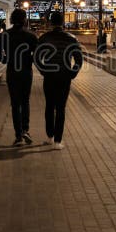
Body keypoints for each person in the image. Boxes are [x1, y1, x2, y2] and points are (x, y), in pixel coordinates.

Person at [34, 11, 83, 149]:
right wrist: (72, 73)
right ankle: (58, 141)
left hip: (49, 76)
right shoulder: (72, 38)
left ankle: (50, 136)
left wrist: (43, 70)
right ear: (63, 22)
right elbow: (79, 59)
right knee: (61, 108)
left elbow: (37, 58)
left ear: (50, 22)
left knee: (49, 106)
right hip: (64, 77)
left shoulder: (45, 37)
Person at [0, 8, 38, 146]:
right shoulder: (31, 36)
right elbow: (37, 55)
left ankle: (18, 135)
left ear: (12, 20)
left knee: (15, 103)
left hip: (12, 72)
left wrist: (5, 59)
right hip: (26, 72)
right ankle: (25, 130)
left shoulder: (5, 35)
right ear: (24, 19)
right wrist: (30, 60)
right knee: (25, 101)